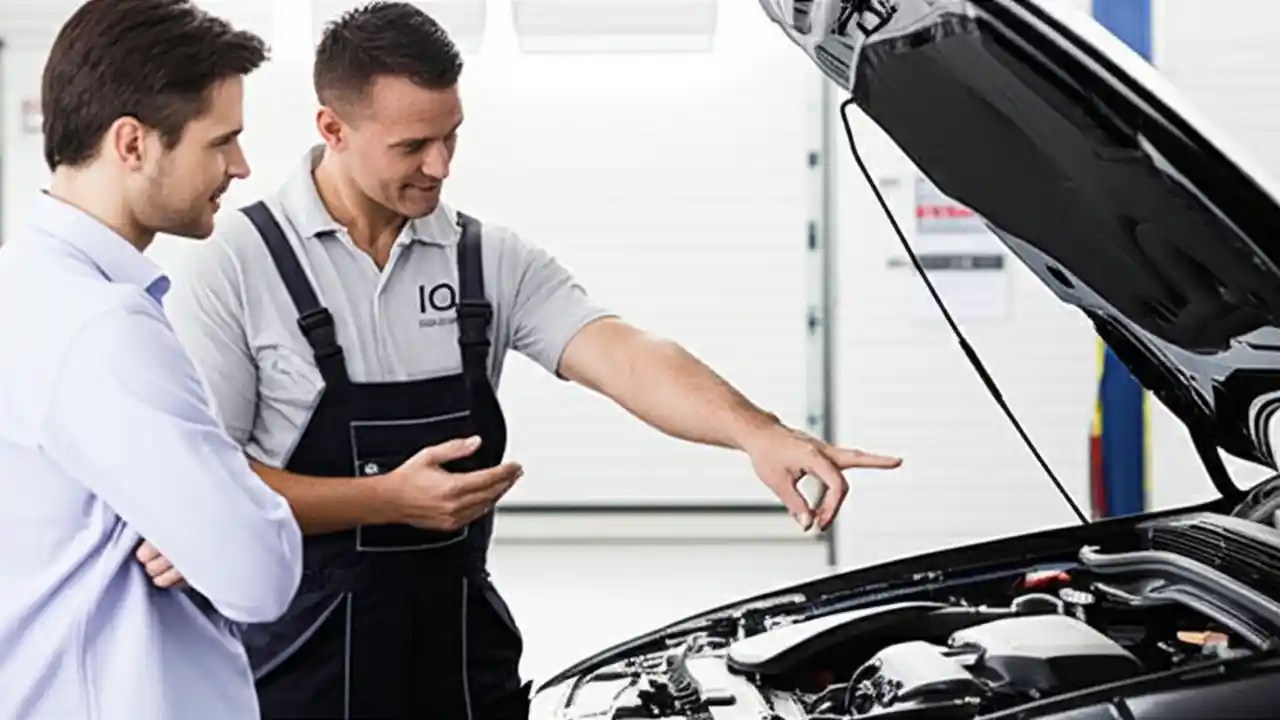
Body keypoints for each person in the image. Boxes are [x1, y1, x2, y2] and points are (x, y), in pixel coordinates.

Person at [159, 1, 903, 718]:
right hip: (299, 670)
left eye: (452, 135)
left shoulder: (488, 260)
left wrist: (757, 431)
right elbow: (209, 487)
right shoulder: (237, 267)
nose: (440, 164)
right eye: (412, 146)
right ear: (334, 128)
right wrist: (387, 500)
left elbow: (627, 354)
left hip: (461, 661)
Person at [0, 1, 304, 719]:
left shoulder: (20, 287)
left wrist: (197, 518)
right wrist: (238, 509)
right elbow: (260, 573)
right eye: (221, 141)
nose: (241, 165)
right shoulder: (103, 326)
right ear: (132, 144)